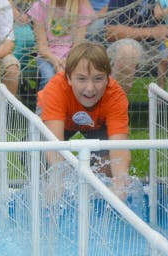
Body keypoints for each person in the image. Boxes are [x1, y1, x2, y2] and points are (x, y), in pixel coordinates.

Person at [37, 41, 131, 192]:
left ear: (108, 78)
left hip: (97, 124)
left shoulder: (115, 95)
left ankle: (92, 191)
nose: (90, 88)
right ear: (68, 78)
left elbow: (119, 151)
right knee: (35, 155)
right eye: (81, 79)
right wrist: (57, 182)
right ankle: (46, 189)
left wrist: (119, 187)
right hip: (59, 121)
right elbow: (54, 147)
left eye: (98, 79)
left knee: (108, 166)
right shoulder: (55, 89)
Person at [105, 0, 168, 106]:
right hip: (135, 44)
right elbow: (110, 31)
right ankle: (115, 115)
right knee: (127, 52)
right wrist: (152, 32)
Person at [28, 0, 94, 89]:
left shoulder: (81, 8)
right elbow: (42, 47)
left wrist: (66, 61)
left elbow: (77, 46)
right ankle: (44, 102)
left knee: (77, 77)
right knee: (49, 77)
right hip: (47, 56)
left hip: (72, 56)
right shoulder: (40, 6)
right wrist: (56, 62)